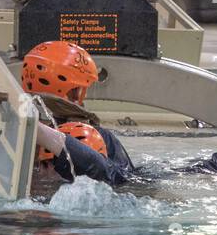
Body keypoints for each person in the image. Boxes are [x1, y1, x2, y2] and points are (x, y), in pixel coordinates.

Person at [20, 40, 133, 170]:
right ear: (73, 91)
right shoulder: (100, 136)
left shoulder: (21, 132)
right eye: (82, 89)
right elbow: (120, 177)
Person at [32, 120, 128, 192]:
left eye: (44, 164)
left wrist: (29, 121)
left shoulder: (100, 173)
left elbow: (95, 163)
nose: (41, 172)